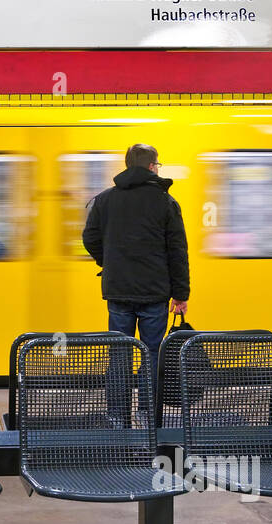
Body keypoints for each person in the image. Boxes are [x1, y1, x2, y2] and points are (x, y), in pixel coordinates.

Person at [81, 143, 190, 361]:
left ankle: (118, 397)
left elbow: (90, 238)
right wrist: (180, 295)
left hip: (118, 288)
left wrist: (110, 262)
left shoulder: (104, 200)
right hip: (154, 291)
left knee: (119, 352)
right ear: (151, 166)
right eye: (157, 164)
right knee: (151, 353)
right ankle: (149, 396)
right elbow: (177, 251)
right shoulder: (166, 202)